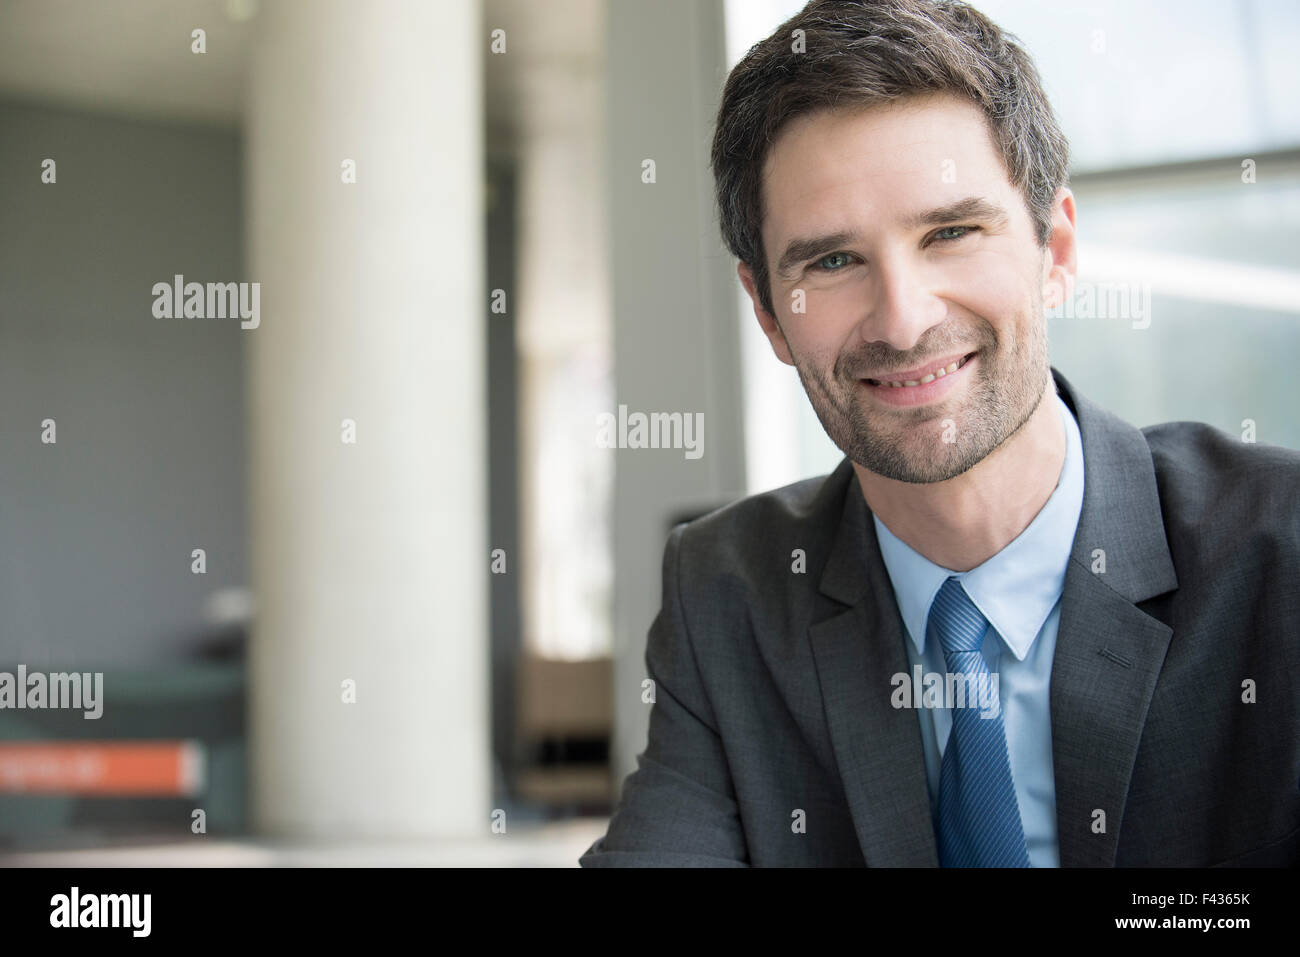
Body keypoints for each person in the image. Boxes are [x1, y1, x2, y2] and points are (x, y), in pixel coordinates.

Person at [580, 0, 1300, 867]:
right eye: (833, 261)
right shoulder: (726, 591)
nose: (903, 318)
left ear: (1057, 251)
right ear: (769, 312)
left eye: (951, 232)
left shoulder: (1279, 551)